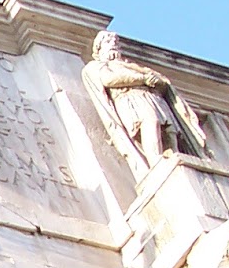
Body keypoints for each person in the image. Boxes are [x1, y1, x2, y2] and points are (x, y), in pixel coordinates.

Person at [82, 31, 208, 175]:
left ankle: (174, 157)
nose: (114, 45)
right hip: (130, 98)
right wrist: (142, 78)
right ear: (99, 48)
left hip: (153, 97)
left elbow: (163, 83)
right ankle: (156, 162)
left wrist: (157, 81)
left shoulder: (131, 65)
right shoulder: (96, 66)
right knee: (150, 122)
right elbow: (108, 79)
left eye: (115, 42)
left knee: (169, 129)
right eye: (108, 42)